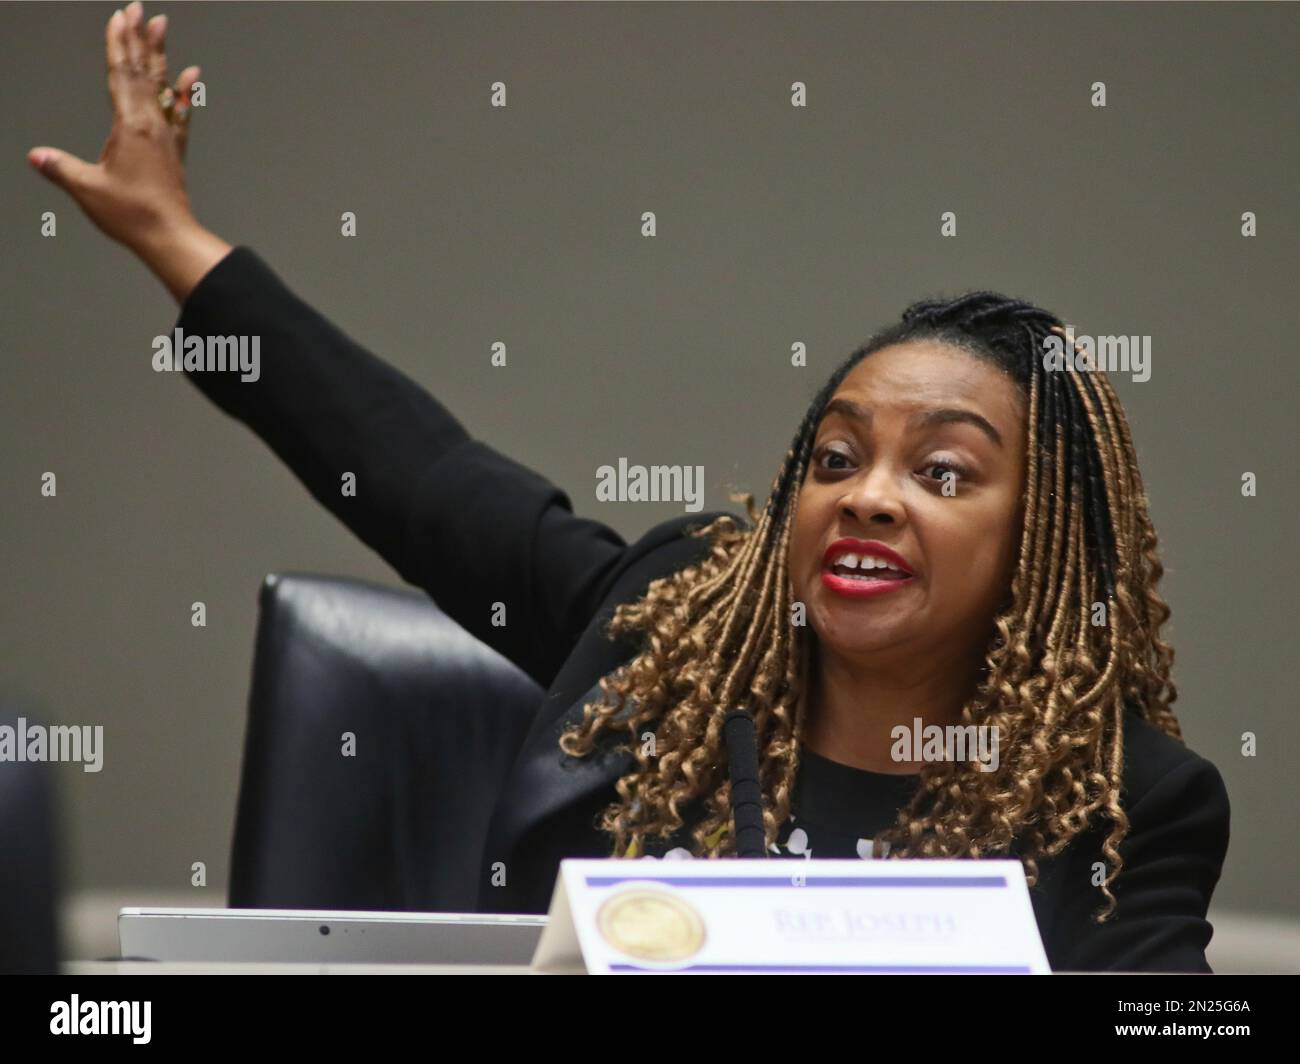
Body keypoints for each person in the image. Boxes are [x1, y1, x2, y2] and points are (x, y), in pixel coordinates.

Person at [30, 1, 1230, 973]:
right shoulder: (680, 630)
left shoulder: (1125, 807)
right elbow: (424, 479)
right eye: (833, 456)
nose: (865, 496)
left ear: (1041, 543)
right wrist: (175, 243)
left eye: (941, 470)